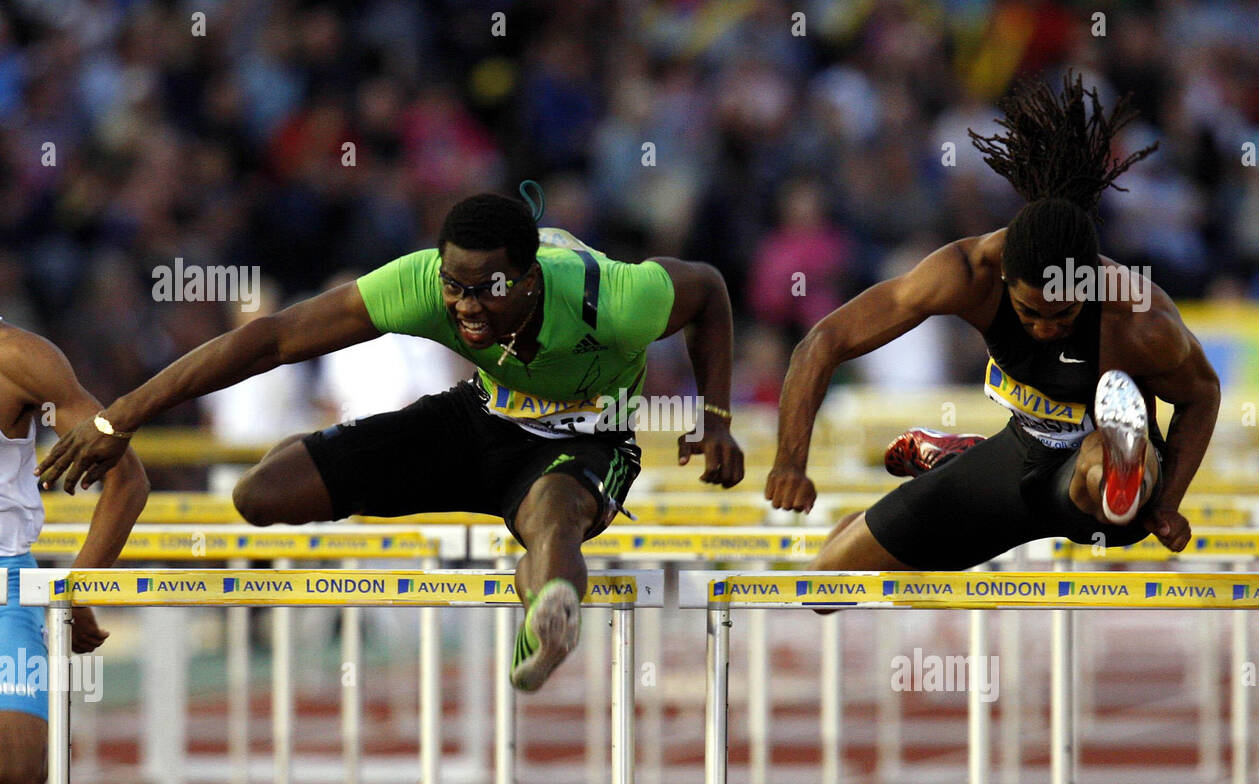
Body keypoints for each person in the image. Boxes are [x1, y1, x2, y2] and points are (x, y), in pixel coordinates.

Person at [37, 192, 743, 692]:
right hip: (478, 418)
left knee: (552, 517)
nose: (466, 307)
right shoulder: (422, 286)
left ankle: (549, 615)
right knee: (260, 498)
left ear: (530, 280)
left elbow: (710, 290)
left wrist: (716, 417)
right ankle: (317, 454)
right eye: (455, 287)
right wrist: (119, 415)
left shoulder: (613, 299)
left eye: (488, 291)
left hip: (584, 439)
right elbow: (273, 338)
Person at [765, 74, 1220, 569]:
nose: (1046, 327)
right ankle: (956, 464)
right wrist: (790, 461)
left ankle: (1123, 461)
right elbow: (824, 340)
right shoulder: (966, 273)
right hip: (1016, 457)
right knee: (825, 584)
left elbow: (1201, 394)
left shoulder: (1138, 318)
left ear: (1088, 283)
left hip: (1093, 490)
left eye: (1064, 314)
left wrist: (1171, 501)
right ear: (1004, 278)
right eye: (1030, 313)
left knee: (1106, 480)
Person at [1, 323, 149, 784]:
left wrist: (74, 591)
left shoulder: (19, 358)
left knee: (16, 776)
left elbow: (126, 481)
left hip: (6, 584)